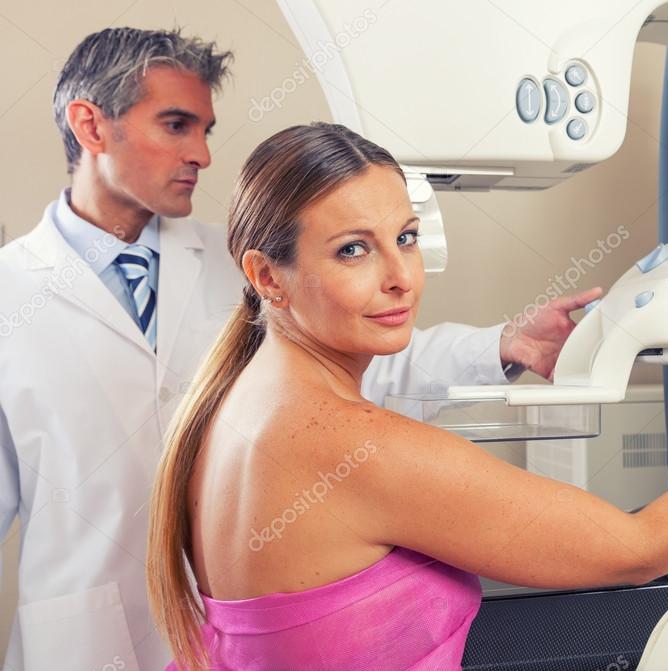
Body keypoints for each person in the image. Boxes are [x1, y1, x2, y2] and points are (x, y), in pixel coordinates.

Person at [146, 122, 668, 670]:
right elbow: (639, 550)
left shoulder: (232, 403)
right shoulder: (348, 443)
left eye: (404, 237)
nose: (401, 276)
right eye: (353, 249)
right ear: (267, 275)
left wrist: (508, 341)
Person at [0, 28, 595, 671]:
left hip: (232, 627)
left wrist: (506, 343)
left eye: (205, 128)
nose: (201, 152)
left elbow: (369, 361)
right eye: (176, 125)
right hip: (85, 640)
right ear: (90, 125)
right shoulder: (11, 297)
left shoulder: (244, 264)